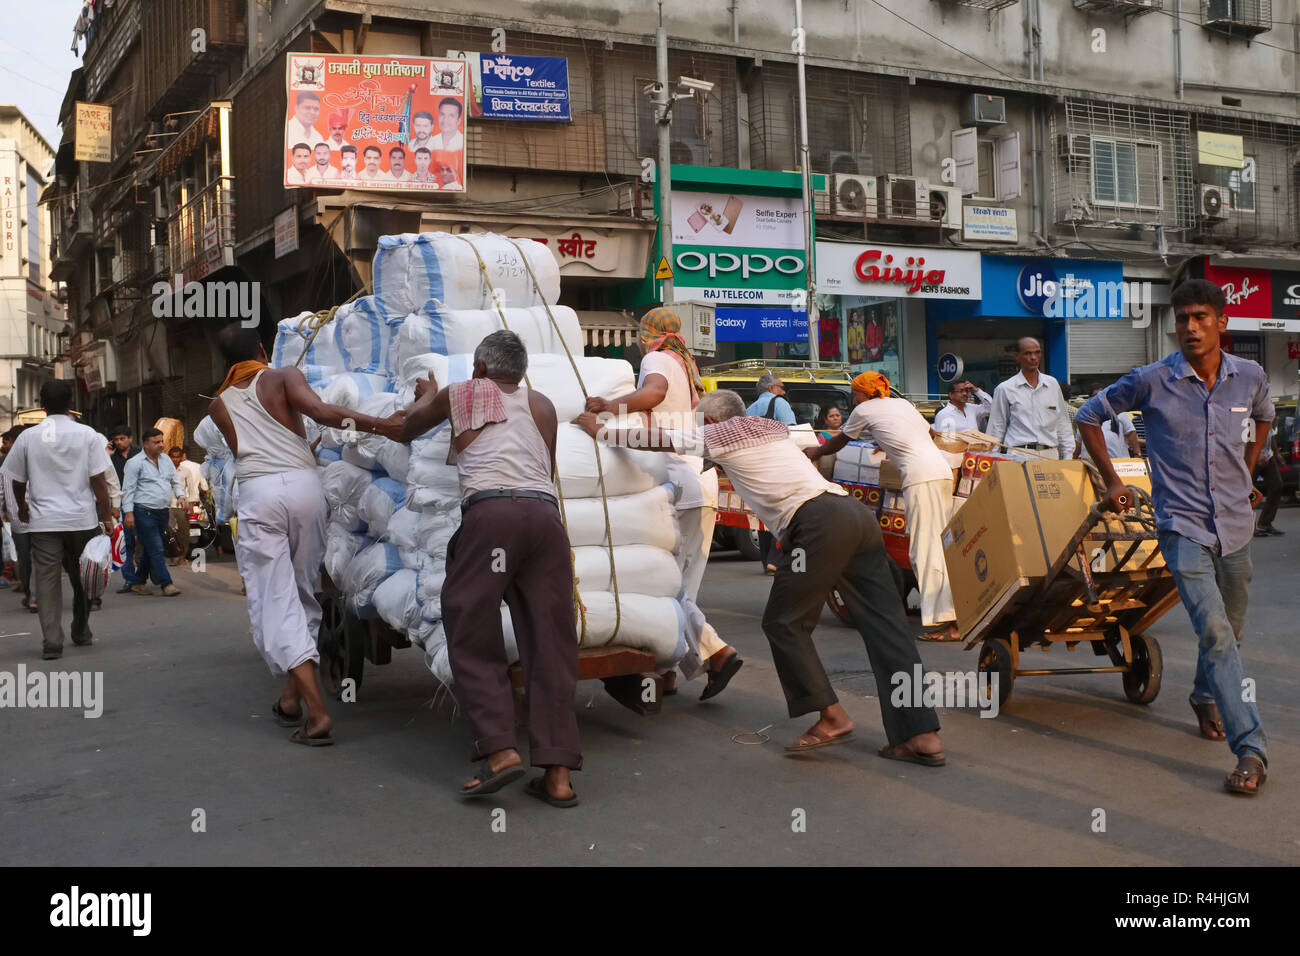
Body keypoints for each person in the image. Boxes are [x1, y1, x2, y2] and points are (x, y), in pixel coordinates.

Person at [574, 390, 945, 763]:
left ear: (715, 420)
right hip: (853, 515)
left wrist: (600, 429)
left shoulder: (721, 433)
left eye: (703, 424)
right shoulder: (771, 427)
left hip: (816, 525)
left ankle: (831, 717)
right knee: (889, 629)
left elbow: (659, 440)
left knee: (784, 623)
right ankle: (922, 735)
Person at [1076, 278, 1271, 797]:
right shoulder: (1151, 379)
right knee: (1214, 631)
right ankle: (1251, 747)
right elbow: (1088, 416)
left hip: (1235, 526)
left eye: (1201, 316)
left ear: (1222, 322)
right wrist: (1114, 480)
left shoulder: (1249, 376)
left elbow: (1265, 417)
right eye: (1182, 318)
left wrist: (1248, 475)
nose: (1189, 326)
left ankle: (1206, 695)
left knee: (1231, 629)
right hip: (1181, 526)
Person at [378, 331, 581, 806]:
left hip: (492, 517)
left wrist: (426, 397)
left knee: (470, 625)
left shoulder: (462, 392)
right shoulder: (544, 404)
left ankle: (499, 751)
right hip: (544, 521)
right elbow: (544, 471)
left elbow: (405, 428)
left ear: (482, 369)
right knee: (551, 641)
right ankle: (558, 774)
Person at [209, 323, 386, 748]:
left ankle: (318, 713)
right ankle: (291, 699)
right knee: (303, 590)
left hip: (260, 493)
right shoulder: (285, 376)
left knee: (276, 599)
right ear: (263, 349)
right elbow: (322, 413)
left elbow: (244, 454)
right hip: (306, 489)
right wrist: (384, 427)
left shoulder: (218, 405)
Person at [583, 308, 743, 705]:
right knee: (670, 583)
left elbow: (652, 394)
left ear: (650, 333)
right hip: (696, 480)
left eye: (641, 332)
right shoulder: (685, 361)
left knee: (672, 587)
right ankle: (667, 672)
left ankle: (716, 652)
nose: (640, 339)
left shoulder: (657, 357)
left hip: (679, 481)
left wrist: (606, 407)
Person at [808, 372, 960, 641]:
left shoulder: (864, 409)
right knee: (940, 545)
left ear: (865, 393)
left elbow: (840, 441)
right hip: (942, 472)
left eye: (855, 394)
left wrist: (816, 452)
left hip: (920, 477)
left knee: (924, 551)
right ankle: (955, 616)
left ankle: (946, 622)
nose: (853, 399)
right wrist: (888, 441)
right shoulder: (901, 404)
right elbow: (929, 433)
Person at [1, 381, 114, 660]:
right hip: (81, 520)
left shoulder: (28, 437)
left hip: (44, 522)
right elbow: (99, 480)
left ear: (42, 405)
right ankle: (80, 628)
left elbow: (14, 477)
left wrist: (22, 505)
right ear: (71, 404)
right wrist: (108, 516)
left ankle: (52, 641)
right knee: (84, 578)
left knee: (47, 581)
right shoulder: (87, 434)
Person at [122, 428, 186, 597]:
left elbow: (175, 480)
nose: (161, 445)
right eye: (156, 442)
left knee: (152, 548)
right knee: (157, 547)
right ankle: (167, 583)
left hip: (162, 512)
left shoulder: (166, 459)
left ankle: (138, 582)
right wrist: (129, 513)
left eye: (161, 441)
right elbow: (128, 490)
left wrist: (181, 496)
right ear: (146, 444)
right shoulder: (135, 463)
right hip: (143, 512)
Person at [986, 337, 1074, 459]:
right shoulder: (1005, 389)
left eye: (1037, 352)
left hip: (1050, 455)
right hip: (1019, 455)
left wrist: (1068, 457)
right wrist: (992, 460)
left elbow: (1063, 424)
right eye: (1028, 353)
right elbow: (996, 428)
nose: (1033, 357)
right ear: (1017, 356)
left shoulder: (1052, 384)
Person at [2, 426, 34, 609]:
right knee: (30, 558)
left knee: (31, 558)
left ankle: (33, 595)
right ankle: (32, 595)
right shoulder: (6, 462)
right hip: (22, 518)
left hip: (32, 518)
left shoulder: (36, 458)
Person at [109, 426, 140, 593]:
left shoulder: (141, 455)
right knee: (124, 543)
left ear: (130, 438)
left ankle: (147, 575)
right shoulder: (111, 459)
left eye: (122, 438)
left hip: (141, 503)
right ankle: (129, 579)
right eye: (116, 439)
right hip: (120, 506)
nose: (119, 442)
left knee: (145, 542)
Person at [1073, 385, 1139, 462]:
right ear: (1090, 399)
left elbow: (1131, 433)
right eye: (1095, 396)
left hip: (1118, 463)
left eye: (1102, 395)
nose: (1099, 399)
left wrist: (1137, 455)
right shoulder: (1085, 417)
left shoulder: (1120, 413)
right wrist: (1074, 459)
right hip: (1091, 464)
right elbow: (1078, 442)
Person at [1253, 429, 1284, 537]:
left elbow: (1270, 434)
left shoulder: (1269, 413)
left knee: (1277, 485)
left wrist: (1277, 453)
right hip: (1251, 454)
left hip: (1268, 454)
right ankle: (1247, 526)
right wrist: (1256, 455)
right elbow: (1244, 434)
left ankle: (1264, 523)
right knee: (1247, 490)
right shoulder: (1249, 412)